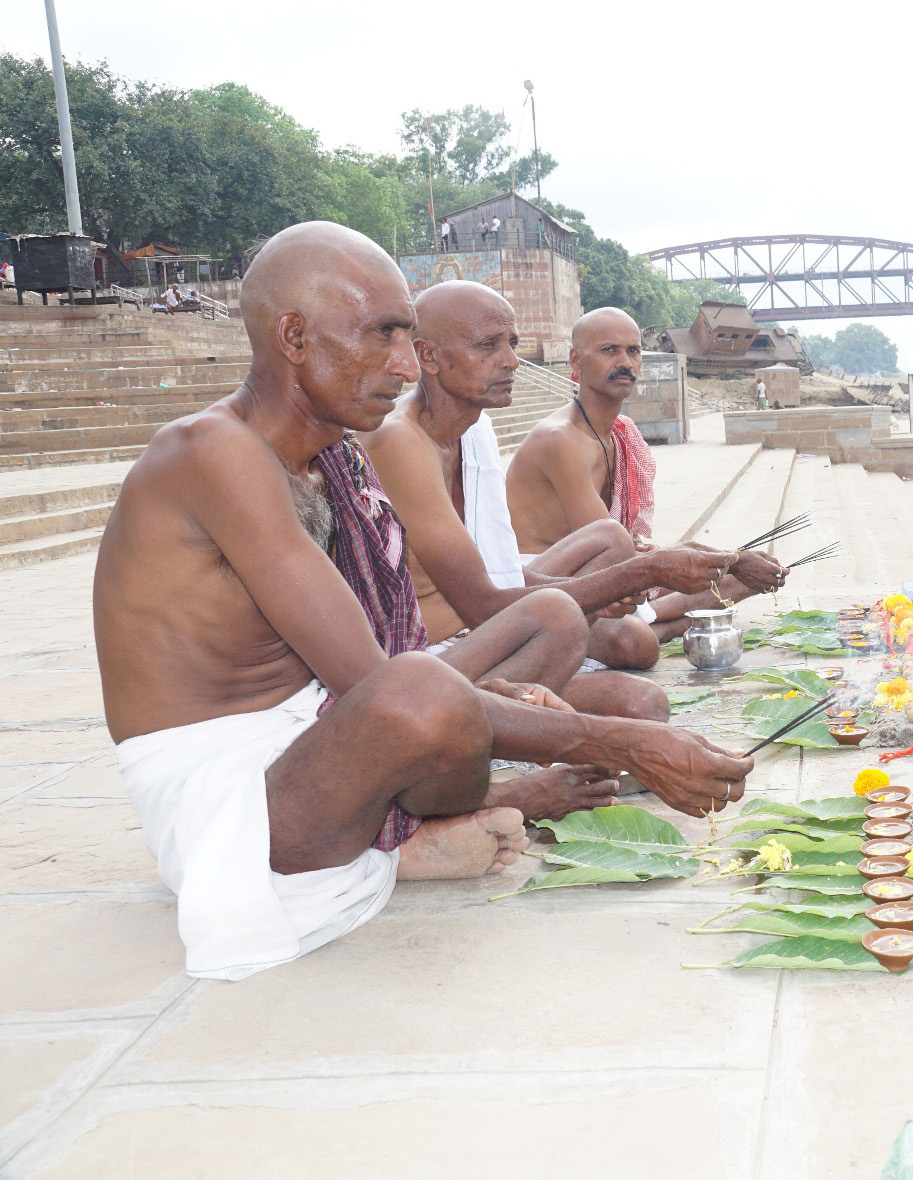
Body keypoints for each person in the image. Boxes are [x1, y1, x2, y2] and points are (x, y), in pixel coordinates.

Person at [93, 222, 752, 980]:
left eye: (408, 336)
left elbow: (372, 673)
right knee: (426, 696)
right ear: (294, 337)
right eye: (383, 335)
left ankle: (437, 817)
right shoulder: (214, 453)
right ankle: (444, 821)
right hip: (229, 802)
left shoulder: (330, 459)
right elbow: (382, 686)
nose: (406, 365)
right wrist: (619, 744)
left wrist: (497, 701)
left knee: (496, 660)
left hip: (312, 734)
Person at [358, 281, 735, 676]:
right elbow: (483, 604)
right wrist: (644, 572)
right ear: (428, 356)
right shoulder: (400, 440)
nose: (512, 361)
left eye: (512, 344)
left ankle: (660, 612)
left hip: (489, 610)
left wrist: (615, 585)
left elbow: (501, 572)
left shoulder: (474, 429)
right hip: (432, 648)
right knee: (636, 683)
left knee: (611, 543)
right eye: (488, 345)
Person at [506, 307, 788, 644]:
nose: (624, 362)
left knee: (726, 576)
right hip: (544, 579)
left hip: (598, 570)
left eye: (633, 351)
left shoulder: (618, 432)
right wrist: (732, 561)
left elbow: (624, 555)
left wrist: (725, 562)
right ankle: (661, 624)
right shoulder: (560, 439)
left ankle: (657, 617)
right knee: (636, 642)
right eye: (609, 350)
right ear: (576, 361)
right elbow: (610, 550)